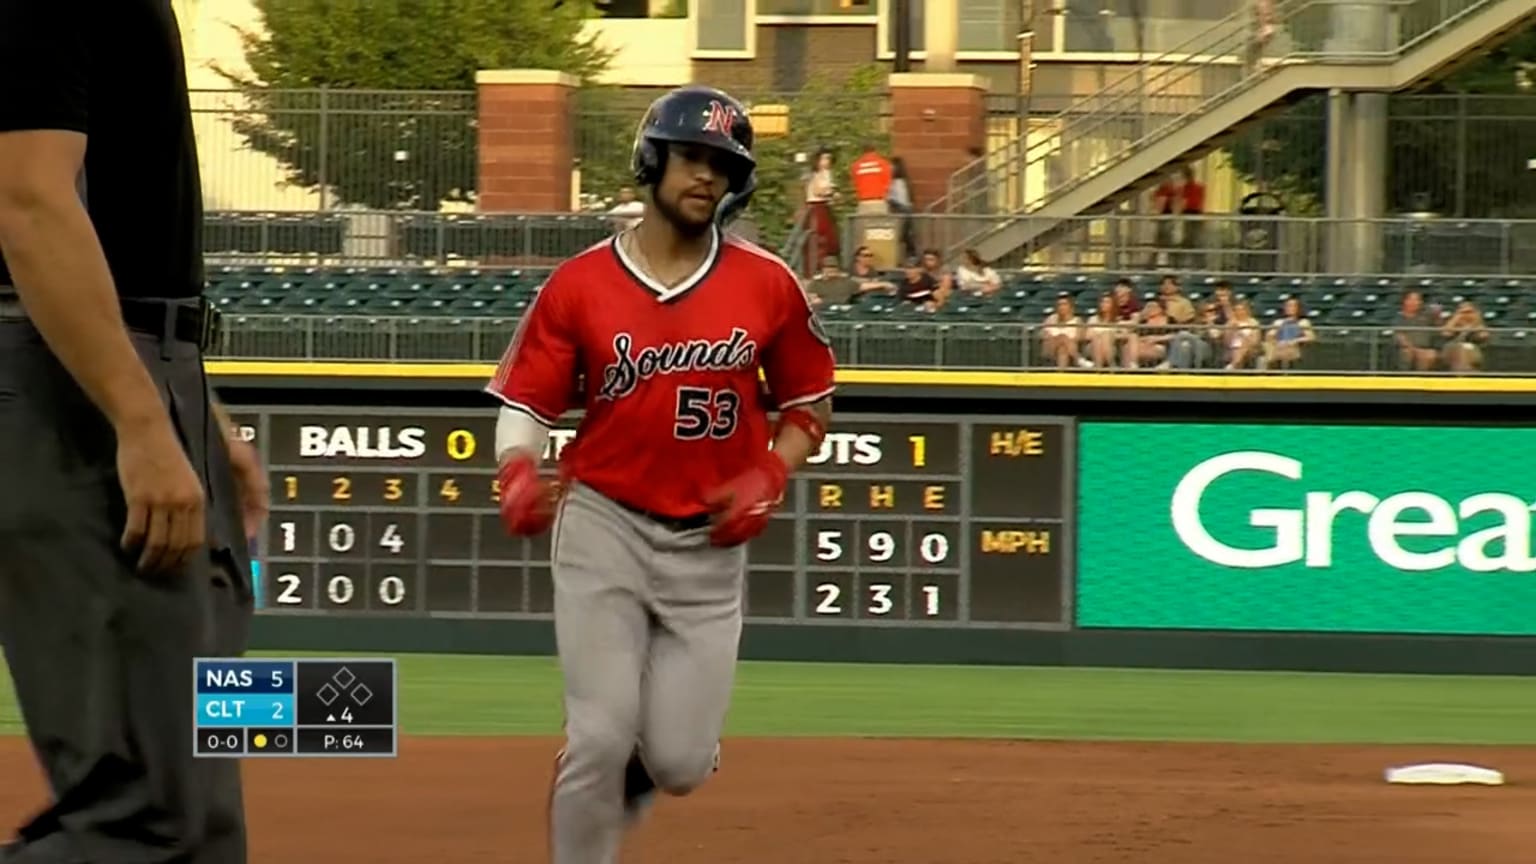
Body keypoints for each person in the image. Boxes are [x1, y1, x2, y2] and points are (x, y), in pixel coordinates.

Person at [484, 85, 837, 864]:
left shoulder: (766, 282)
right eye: (690, 157)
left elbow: (810, 402)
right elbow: (528, 405)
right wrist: (516, 467)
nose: (706, 175)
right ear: (653, 160)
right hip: (602, 521)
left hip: (708, 544)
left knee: (678, 762)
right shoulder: (579, 283)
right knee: (599, 735)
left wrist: (772, 474)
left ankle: (645, 771)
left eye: (722, 164)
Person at [0, 2, 268, 863]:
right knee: (145, 815)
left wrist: (196, 409)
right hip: (65, 386)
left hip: (148, 365)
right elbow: (28, 202)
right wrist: (140, 416)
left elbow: (113, 227)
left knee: (200, 810)